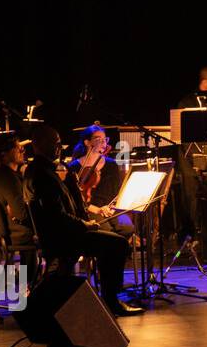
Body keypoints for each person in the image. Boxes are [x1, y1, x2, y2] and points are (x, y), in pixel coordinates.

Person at [23, 123, 140, 316]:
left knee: (116, 238)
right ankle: (111, 301)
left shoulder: (43, 170)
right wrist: (85, 223)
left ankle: (106, 298)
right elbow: (57, 216)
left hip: (63, 233)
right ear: (40, 145)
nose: (59, 148)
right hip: (62, 237)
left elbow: (62, 208)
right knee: (117, 244)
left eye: (60, 143)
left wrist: (72, 187)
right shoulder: (42, 174)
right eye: (55, 143)